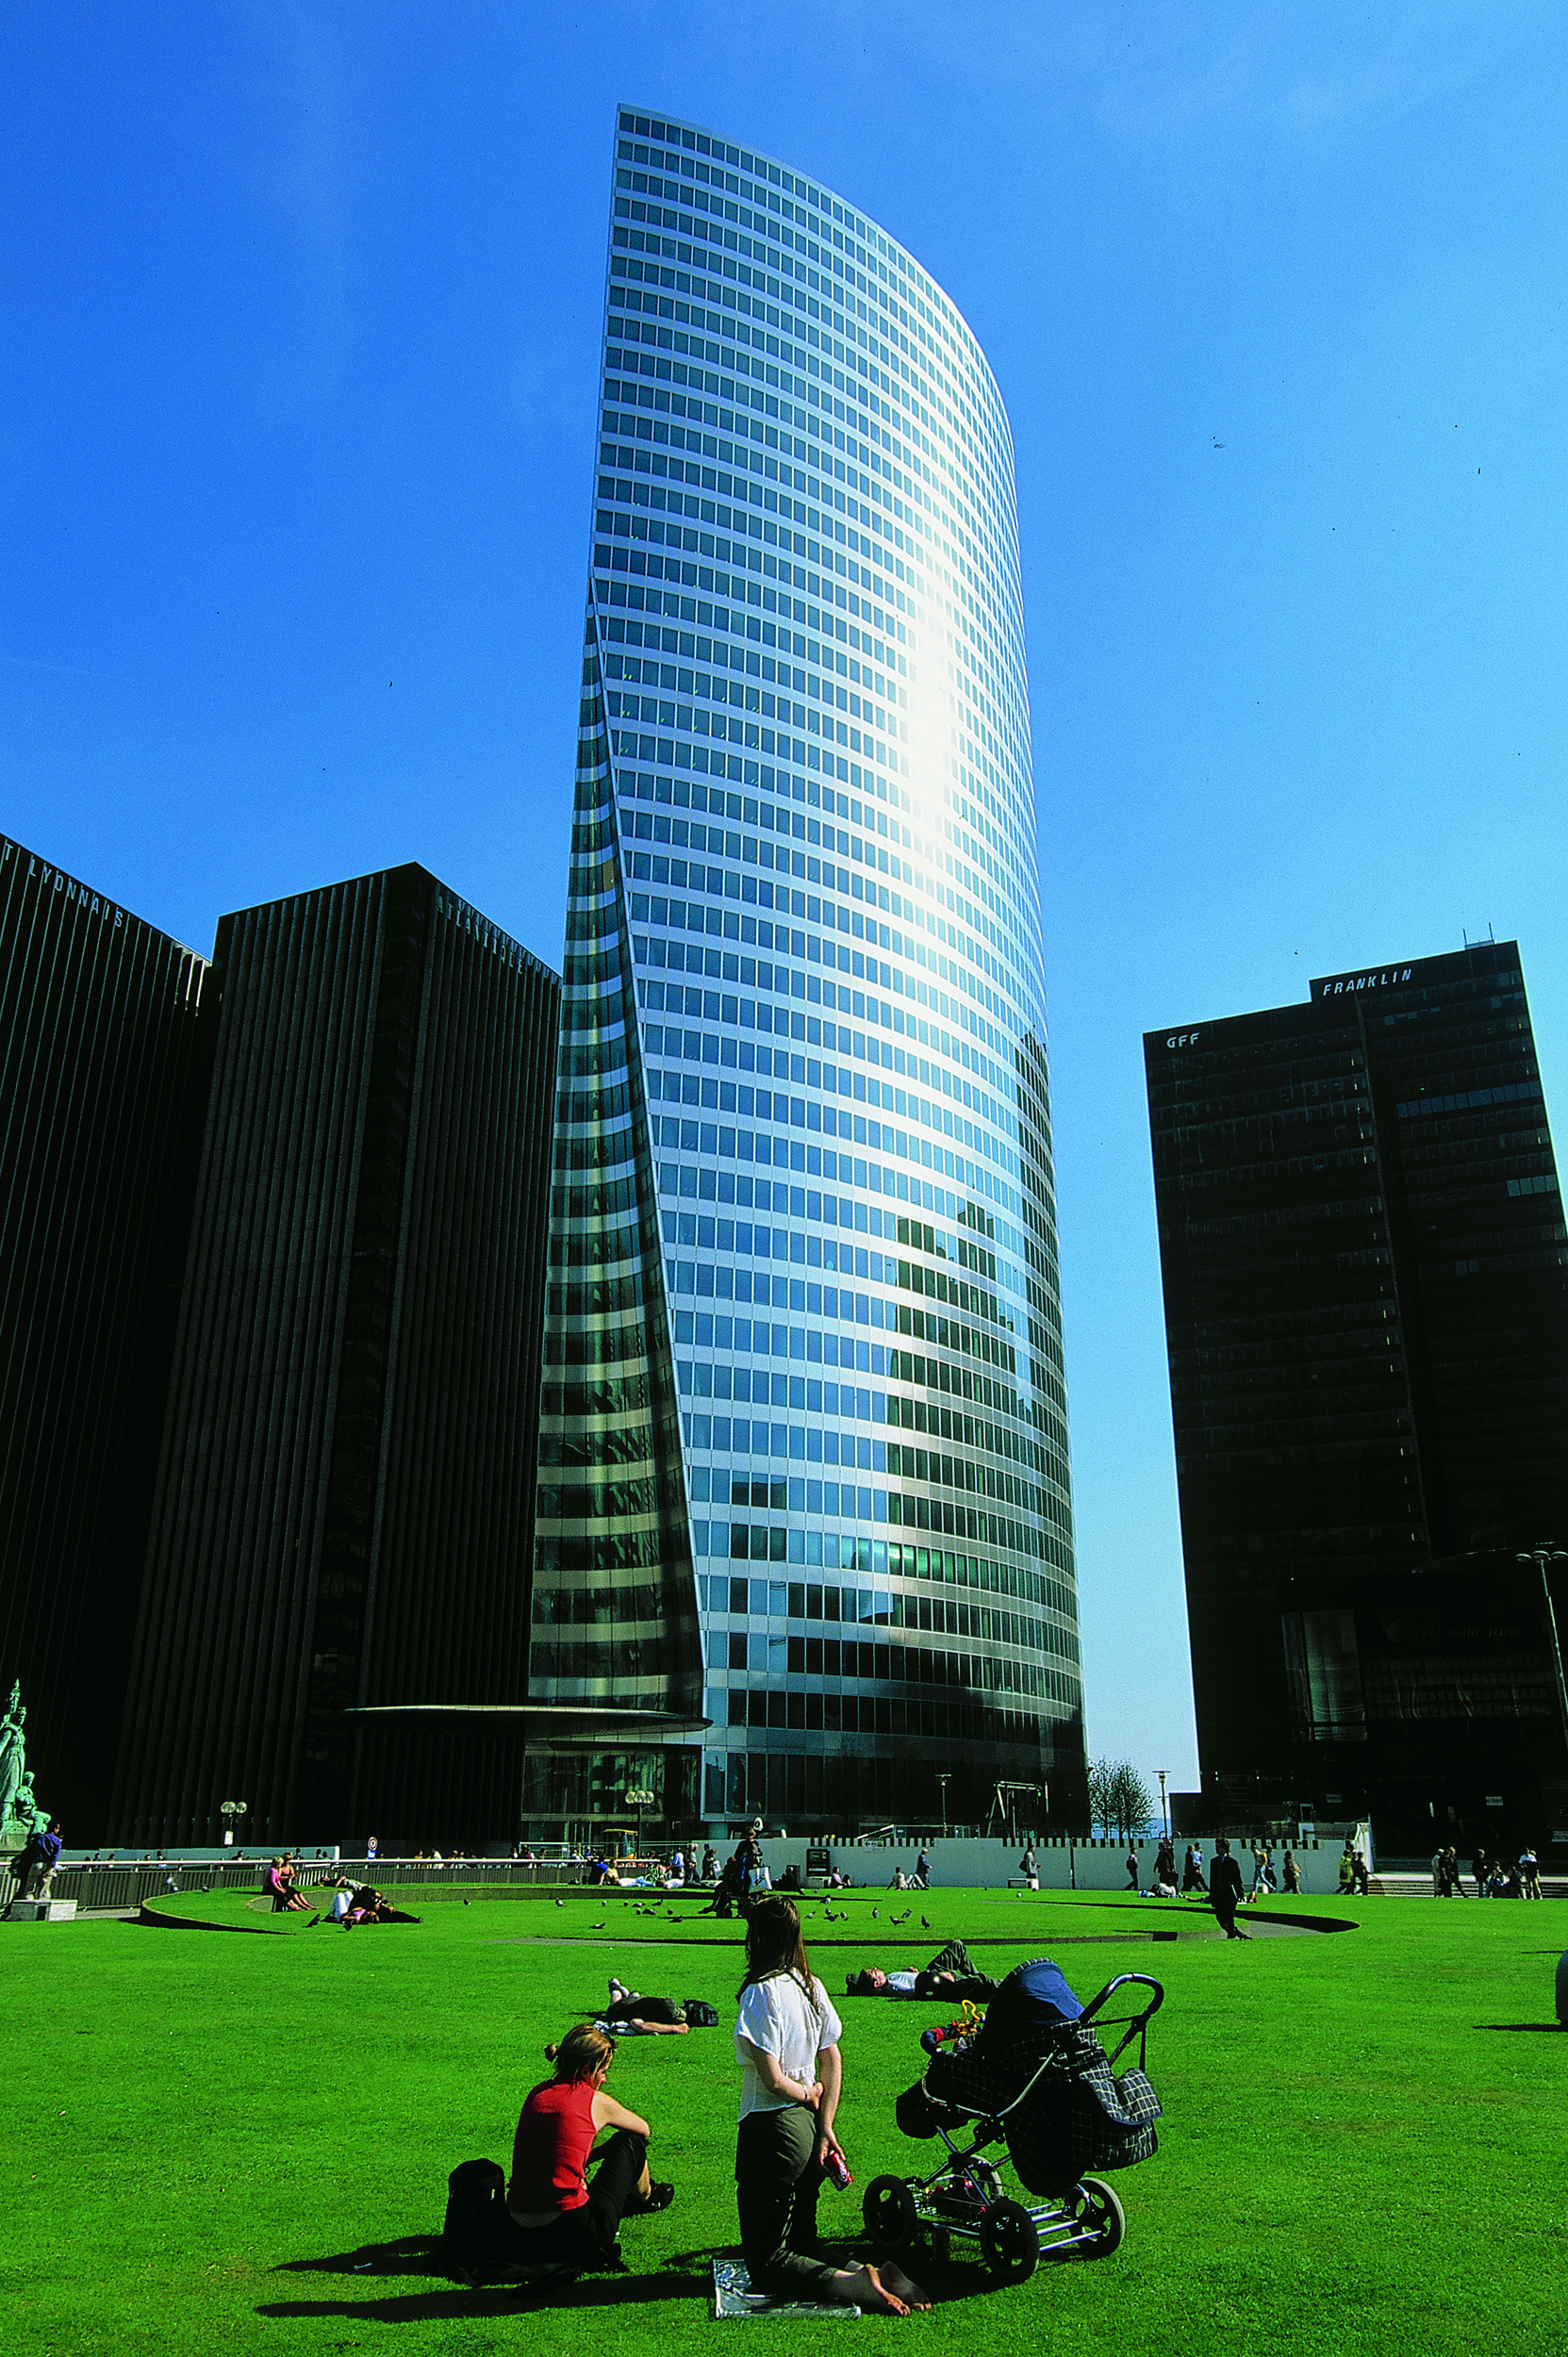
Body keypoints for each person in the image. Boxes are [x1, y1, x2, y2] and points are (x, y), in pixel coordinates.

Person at [734, 1896, 928, 2316]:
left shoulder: (760, 1992)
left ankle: (856, 2284)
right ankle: (870, 2270)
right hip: (807, 2132)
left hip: (772, 2130)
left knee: (767, 2261)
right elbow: (832, 2058)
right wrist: (825, 2126)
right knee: (803, 2242)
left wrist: (808, 2094)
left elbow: (772, 2079)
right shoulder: (811, 1987)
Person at [506, 2024, 673, 2270]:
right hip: (571, 2231)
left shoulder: (538, 2093)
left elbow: (555, 2153)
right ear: (586, 2071)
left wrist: (595, 2155)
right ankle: (648, 2196)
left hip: (518, 2229)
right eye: (603, 2072)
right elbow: (642, 2129)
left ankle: (639, 2196)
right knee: (631, 2141)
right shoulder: (593, 2100)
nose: (604, 2079)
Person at [846, 1940, 998, 2003]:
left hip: (931, 1972)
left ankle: (974, 1977)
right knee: (981, 1981)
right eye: (872, 1973)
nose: (875, 1969)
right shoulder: (893, 1987)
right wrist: (940, 1978)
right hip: (936, 1978)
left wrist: (908, 1972)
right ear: (877, 1984)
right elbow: (919, 1991)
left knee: (957, 1946)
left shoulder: (891, 1978)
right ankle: (984, 1981)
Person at [1210, 1838, 1247, 1939]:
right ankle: (1236, 1932)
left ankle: (1231, 1935)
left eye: (1218, 1847)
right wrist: (1212, 1895)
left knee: (1229, 1917)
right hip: (1218, 1893)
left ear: (1224, 1848)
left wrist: (1240, 1894)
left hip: (1229, 1893)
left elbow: (1237, 1879)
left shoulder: (1232, 1863)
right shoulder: (1213, 1862)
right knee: (1220, 1918)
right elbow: (1212, 1880)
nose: (1216, 1849)